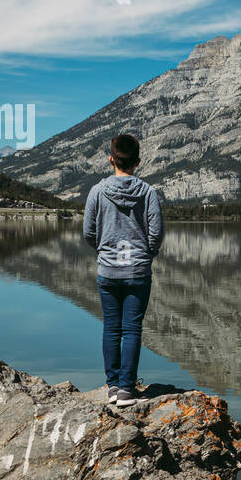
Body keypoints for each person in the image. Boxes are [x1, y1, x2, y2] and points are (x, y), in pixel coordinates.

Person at [82, 134, 163, 406]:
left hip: (108, 271)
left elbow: (88, 232)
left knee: (111, 329)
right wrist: (147, 254)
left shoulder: (97, 191)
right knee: (132, 330)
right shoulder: (149, 193)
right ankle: (128, 389)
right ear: (138, 162)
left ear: (111, 159)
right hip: (138, 271)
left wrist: (104, 252)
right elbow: (156, 233)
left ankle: (113, 386)